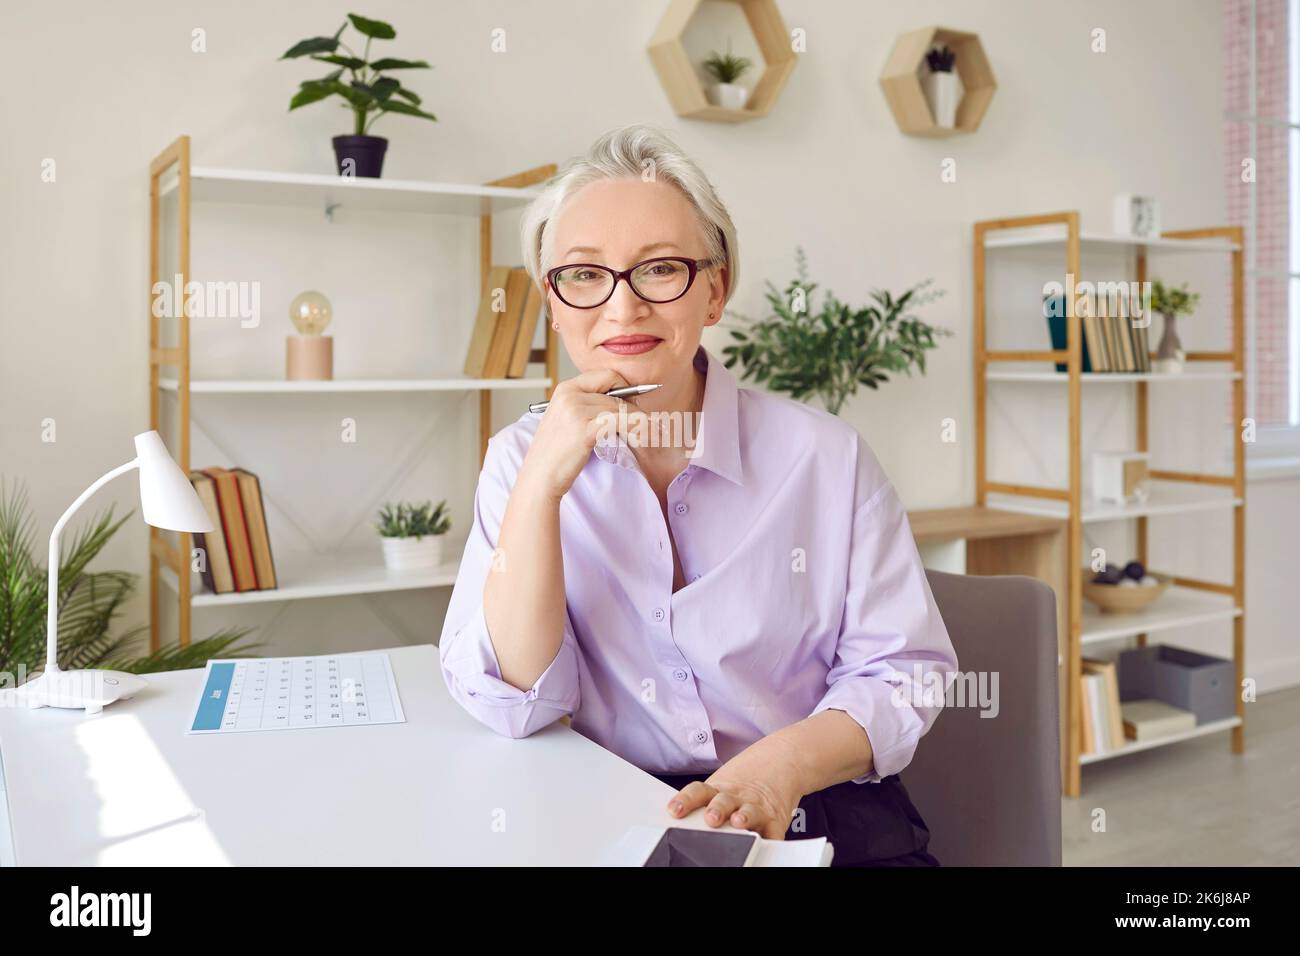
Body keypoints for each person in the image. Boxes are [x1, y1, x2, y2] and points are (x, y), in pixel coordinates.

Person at [440, 124, 957, 865]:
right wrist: (540, 487)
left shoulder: (826, 459)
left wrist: (783, 767)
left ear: (714, 290)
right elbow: (516, 700)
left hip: (813, 809)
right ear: (553, 304)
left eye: (659, 270)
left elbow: (905, 673)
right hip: (605, 815)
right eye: (584, 275)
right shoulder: (519, 459)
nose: (621, 309)